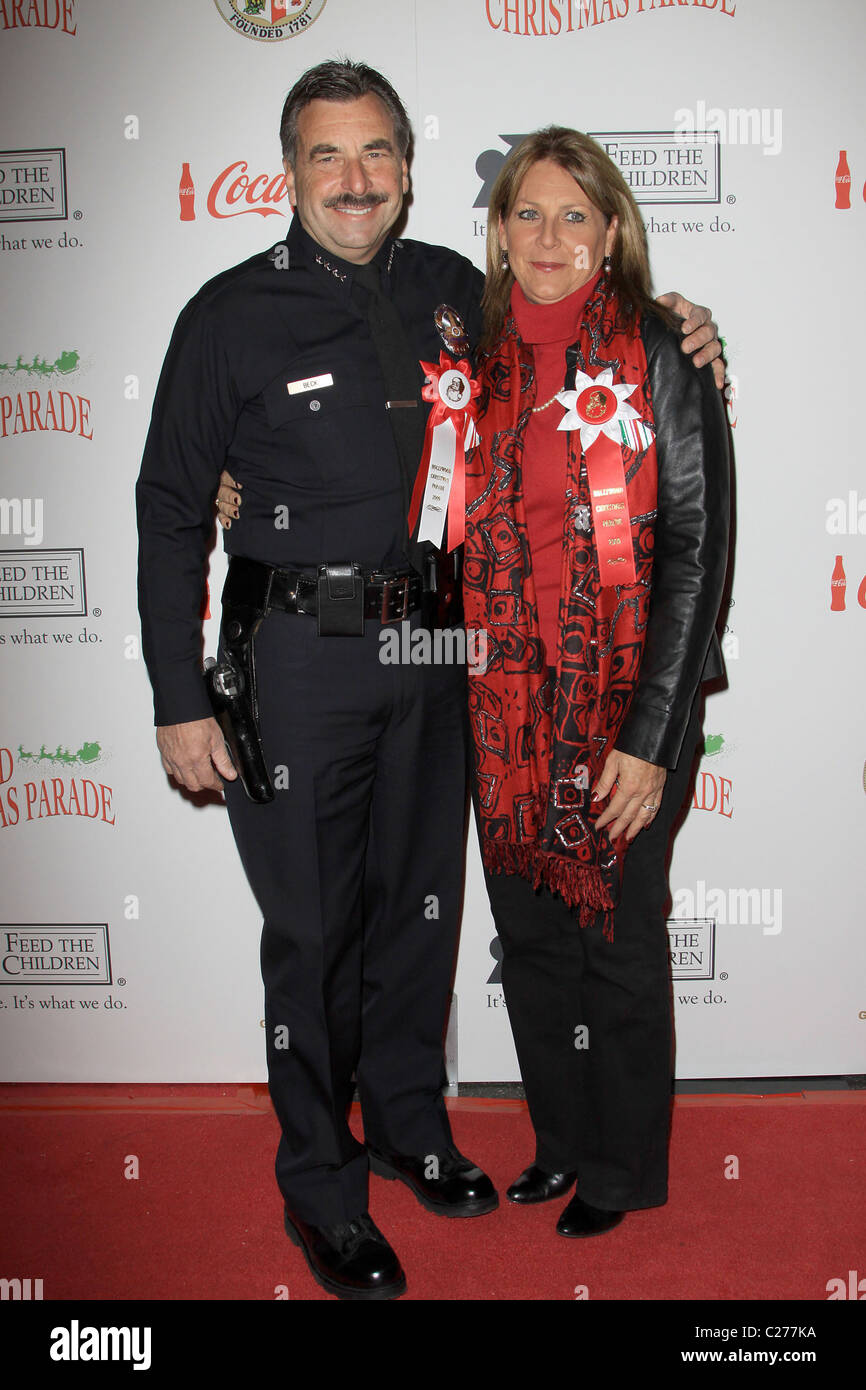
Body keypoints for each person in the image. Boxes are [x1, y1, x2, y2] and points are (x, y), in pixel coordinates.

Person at [142, 60, 722, 1302]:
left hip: (437, 648)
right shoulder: (226, 315)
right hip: (293, 656)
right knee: (312, 935)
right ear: (289, 170)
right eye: (324, 157)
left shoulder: (459, 296)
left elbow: (589, 339)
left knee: (420, 916)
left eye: (375, 156)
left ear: (408, 168)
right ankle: (322, 1186)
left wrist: (683, 327)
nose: (353, 181)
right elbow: (167, 509)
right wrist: (176, 693)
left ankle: (409, 1126)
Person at [461, 127, 730, 1237]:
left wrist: (650, 733)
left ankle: (619, 1168)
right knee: (527, 940)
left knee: (613, 944)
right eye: (528, 212)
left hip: (623, 711)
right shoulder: (465, 364)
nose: (550, 236)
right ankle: (558, 1140)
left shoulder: (663, 353)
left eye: (575, 215)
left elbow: (698, 550)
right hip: (497, 712)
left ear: (610, 232)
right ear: (498, 230)